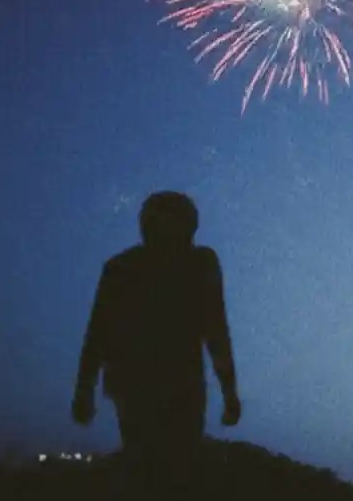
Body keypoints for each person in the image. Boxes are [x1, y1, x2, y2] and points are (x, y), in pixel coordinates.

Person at [71, 191, 241, 485]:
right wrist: (229, 392)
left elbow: (97, 334)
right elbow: (216, 330)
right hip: (158, 385)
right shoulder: (194, 263)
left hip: (153, 384)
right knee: (165, 469)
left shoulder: (123, 267)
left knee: (157, 468)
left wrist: (84, 390)